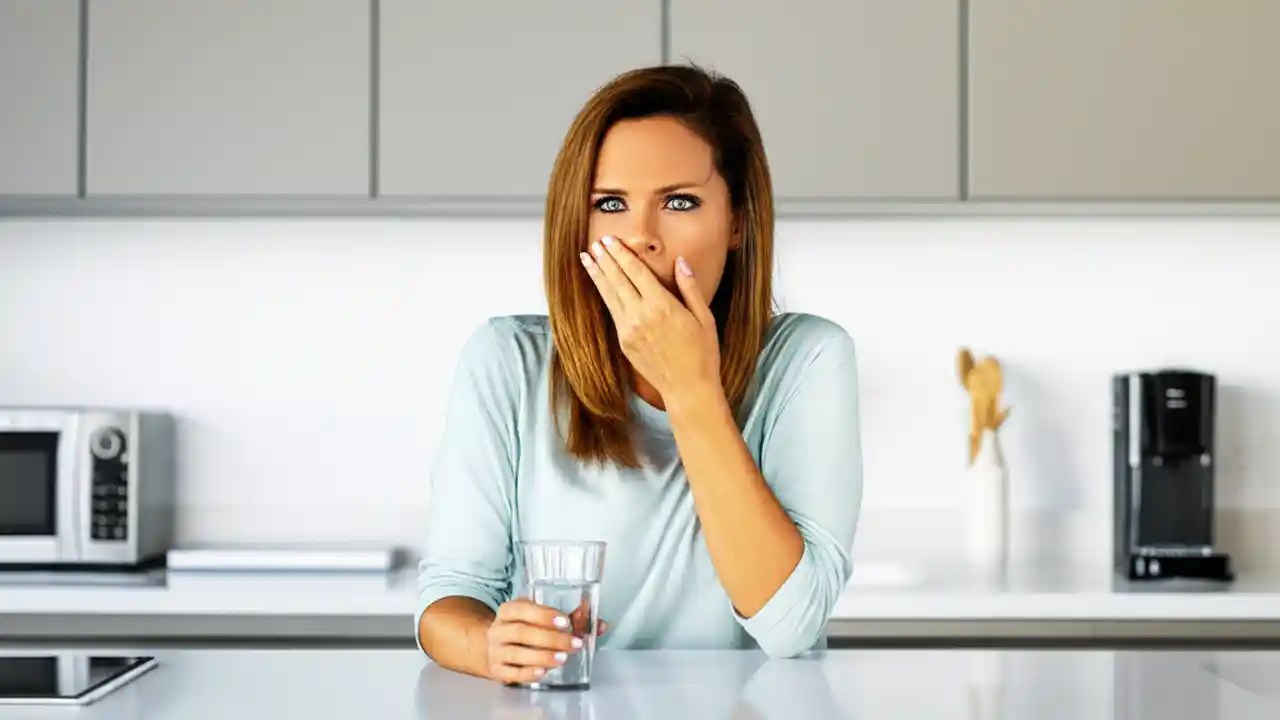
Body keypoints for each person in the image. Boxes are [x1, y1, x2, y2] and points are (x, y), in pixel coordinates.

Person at [415, 63, 863, 684]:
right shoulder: (507, 359)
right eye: (610, 204)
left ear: (737, 221)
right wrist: (490, 645)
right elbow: (449, 599)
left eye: (679, 202)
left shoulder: (807, 359)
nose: (641, 237)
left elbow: (791, 626)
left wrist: (690, 388)